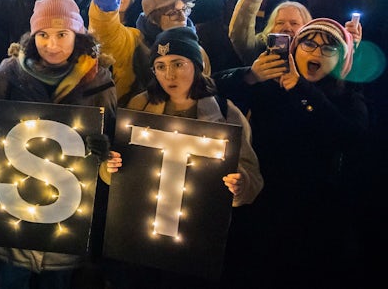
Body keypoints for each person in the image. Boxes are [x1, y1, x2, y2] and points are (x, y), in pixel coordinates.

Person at [101, 26, 263, 283]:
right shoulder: (138, 106)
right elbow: (116, 174)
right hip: (140, 237)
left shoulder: (226, 114)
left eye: (178, 64)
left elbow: (251, 177)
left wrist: (240, 185)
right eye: (161, 66)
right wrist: (109, 167)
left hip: (195, 240)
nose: (169, 74)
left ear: (196, 66)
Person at [213, 19, 367, 286]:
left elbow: (349, 137)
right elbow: (213, 92)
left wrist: (302, 89)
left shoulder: (348, 97)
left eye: (329, 47)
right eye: (309, 43)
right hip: (264, 203)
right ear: (295, 48)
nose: (316, 52)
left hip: (314, 214)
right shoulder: (270, 86)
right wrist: (250, 75)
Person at [0, 0, 116, 288]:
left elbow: (112, 140)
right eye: (42, 34)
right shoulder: (10, 71)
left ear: (77, 35)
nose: (52, 44)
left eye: (62, 34)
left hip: (65, 224)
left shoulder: (98, 80)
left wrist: (102, 149)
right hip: (14, 221)